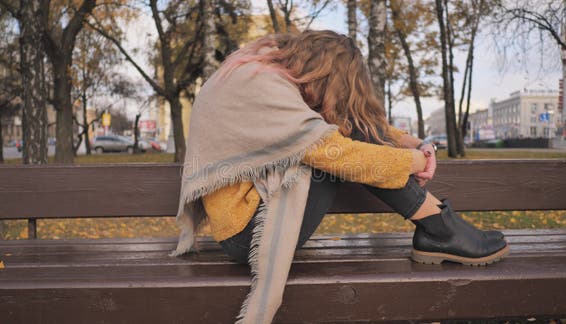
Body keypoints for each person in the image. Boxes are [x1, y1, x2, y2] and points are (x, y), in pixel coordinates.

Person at [172, 30, 508, 324]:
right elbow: (340, 153)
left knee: (342, 134)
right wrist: (413, 159)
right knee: (339, 150)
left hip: (245, 219)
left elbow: (350, 121)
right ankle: (440, 227)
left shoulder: (260, 69)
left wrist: (412, 142)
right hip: (247, 235)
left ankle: (439, 227)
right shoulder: (263, 88)